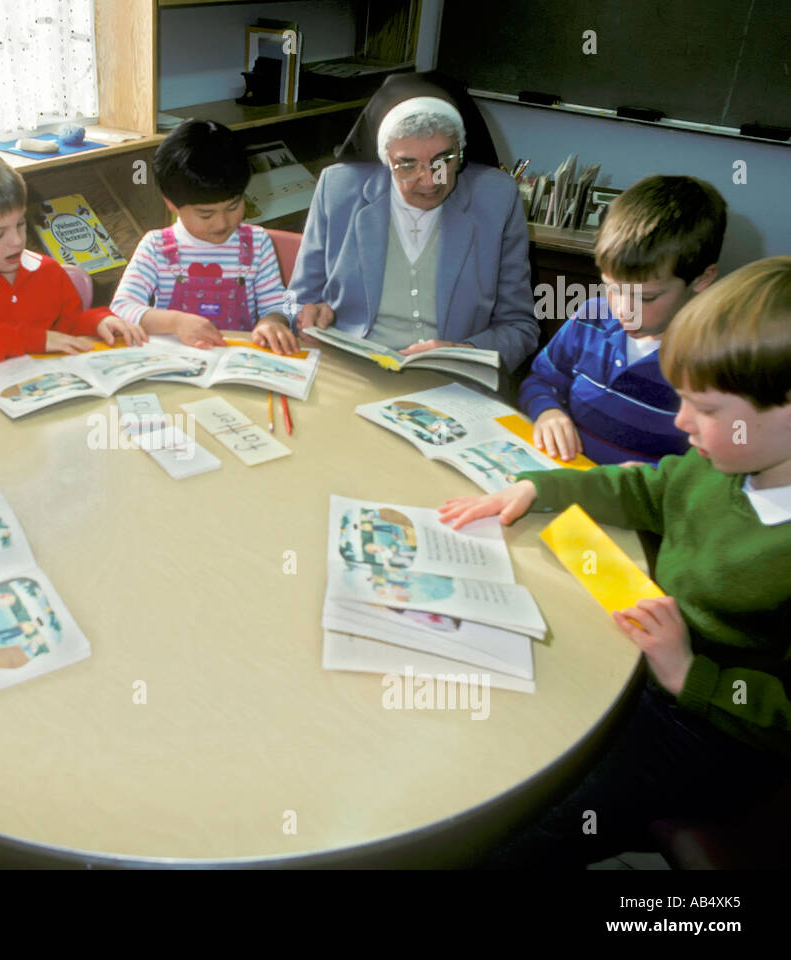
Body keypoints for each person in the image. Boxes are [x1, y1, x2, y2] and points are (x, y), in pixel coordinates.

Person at [439, 257, 791, 867]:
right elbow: (645, 491)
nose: (683, 425)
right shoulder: (719, 465)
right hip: (647, 665)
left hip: (714, 729)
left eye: (706, 410)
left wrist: (692, 676)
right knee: (507, 721)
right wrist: (540, 488)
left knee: (539, 818)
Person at [290, 71, 538, 377]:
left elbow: (520, 327)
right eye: (407, 164)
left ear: (461, 152)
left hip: (452, 376)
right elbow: (297, 300)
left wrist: (465, 353)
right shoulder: (339, 187)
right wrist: (304, 315)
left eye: (444, 160)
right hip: (351, 370)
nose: (429, 179)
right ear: (385, 158)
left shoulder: (497, 199)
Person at [519, 175, 725, 465]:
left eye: (646, 298)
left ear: (702, 279)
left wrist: (654, 478)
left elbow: (711, 466)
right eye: (613, 288)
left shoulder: (712, 361)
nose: (624, 310)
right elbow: (541, 380)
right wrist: (547, 411)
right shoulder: (590, 318)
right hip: (562, 479)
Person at [0, 144, 144, 371]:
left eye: (20, 224)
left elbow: (68, 324)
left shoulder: (47, 271)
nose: (17, 241)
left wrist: (98, 321)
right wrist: (31, 340)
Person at [110, 119, 298, 354]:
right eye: (205, 214)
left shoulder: (256, 244)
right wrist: (175, 322)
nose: (222, 223)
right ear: (171, 204)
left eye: (234, 206)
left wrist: (273, 322)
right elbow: (120, 308)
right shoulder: (156, 247)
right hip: (173, 360)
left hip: (238, 361)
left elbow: (281, 302)